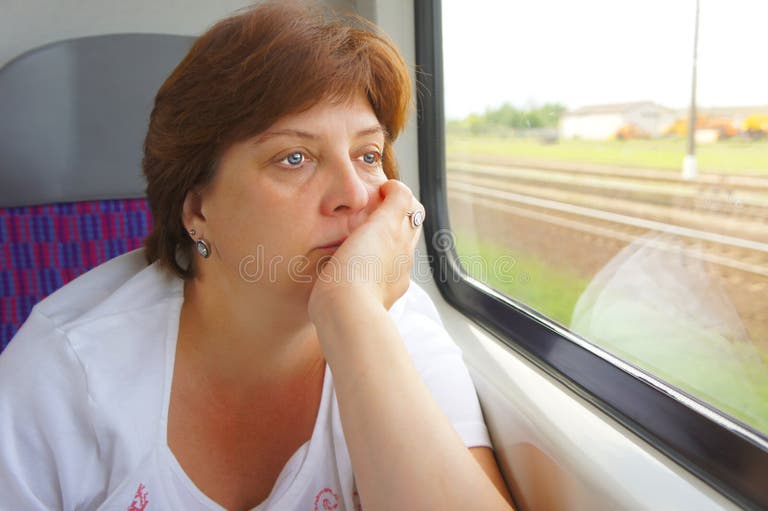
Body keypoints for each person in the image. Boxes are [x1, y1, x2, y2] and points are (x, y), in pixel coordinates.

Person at [0, 1, 514, 509]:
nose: (355, 195)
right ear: (197, 208)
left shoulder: (396, 330)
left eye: (368, 155)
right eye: (294, 157)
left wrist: (350, 313)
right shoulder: (62, 376)